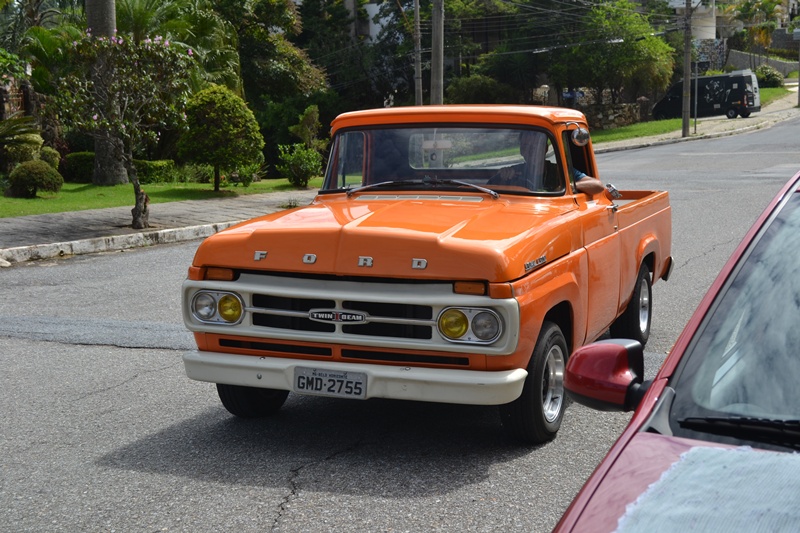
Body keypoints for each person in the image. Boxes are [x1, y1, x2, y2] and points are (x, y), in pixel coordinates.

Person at [488, 131, 606, 195]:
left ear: (545, 148)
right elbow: (487, 191)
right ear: (521, 150)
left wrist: (567, 186)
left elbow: (597, 186)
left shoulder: (559, 172)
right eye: (526, 146)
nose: (531, 151)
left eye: (535, 146)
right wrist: (503, 178)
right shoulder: (514, 172)